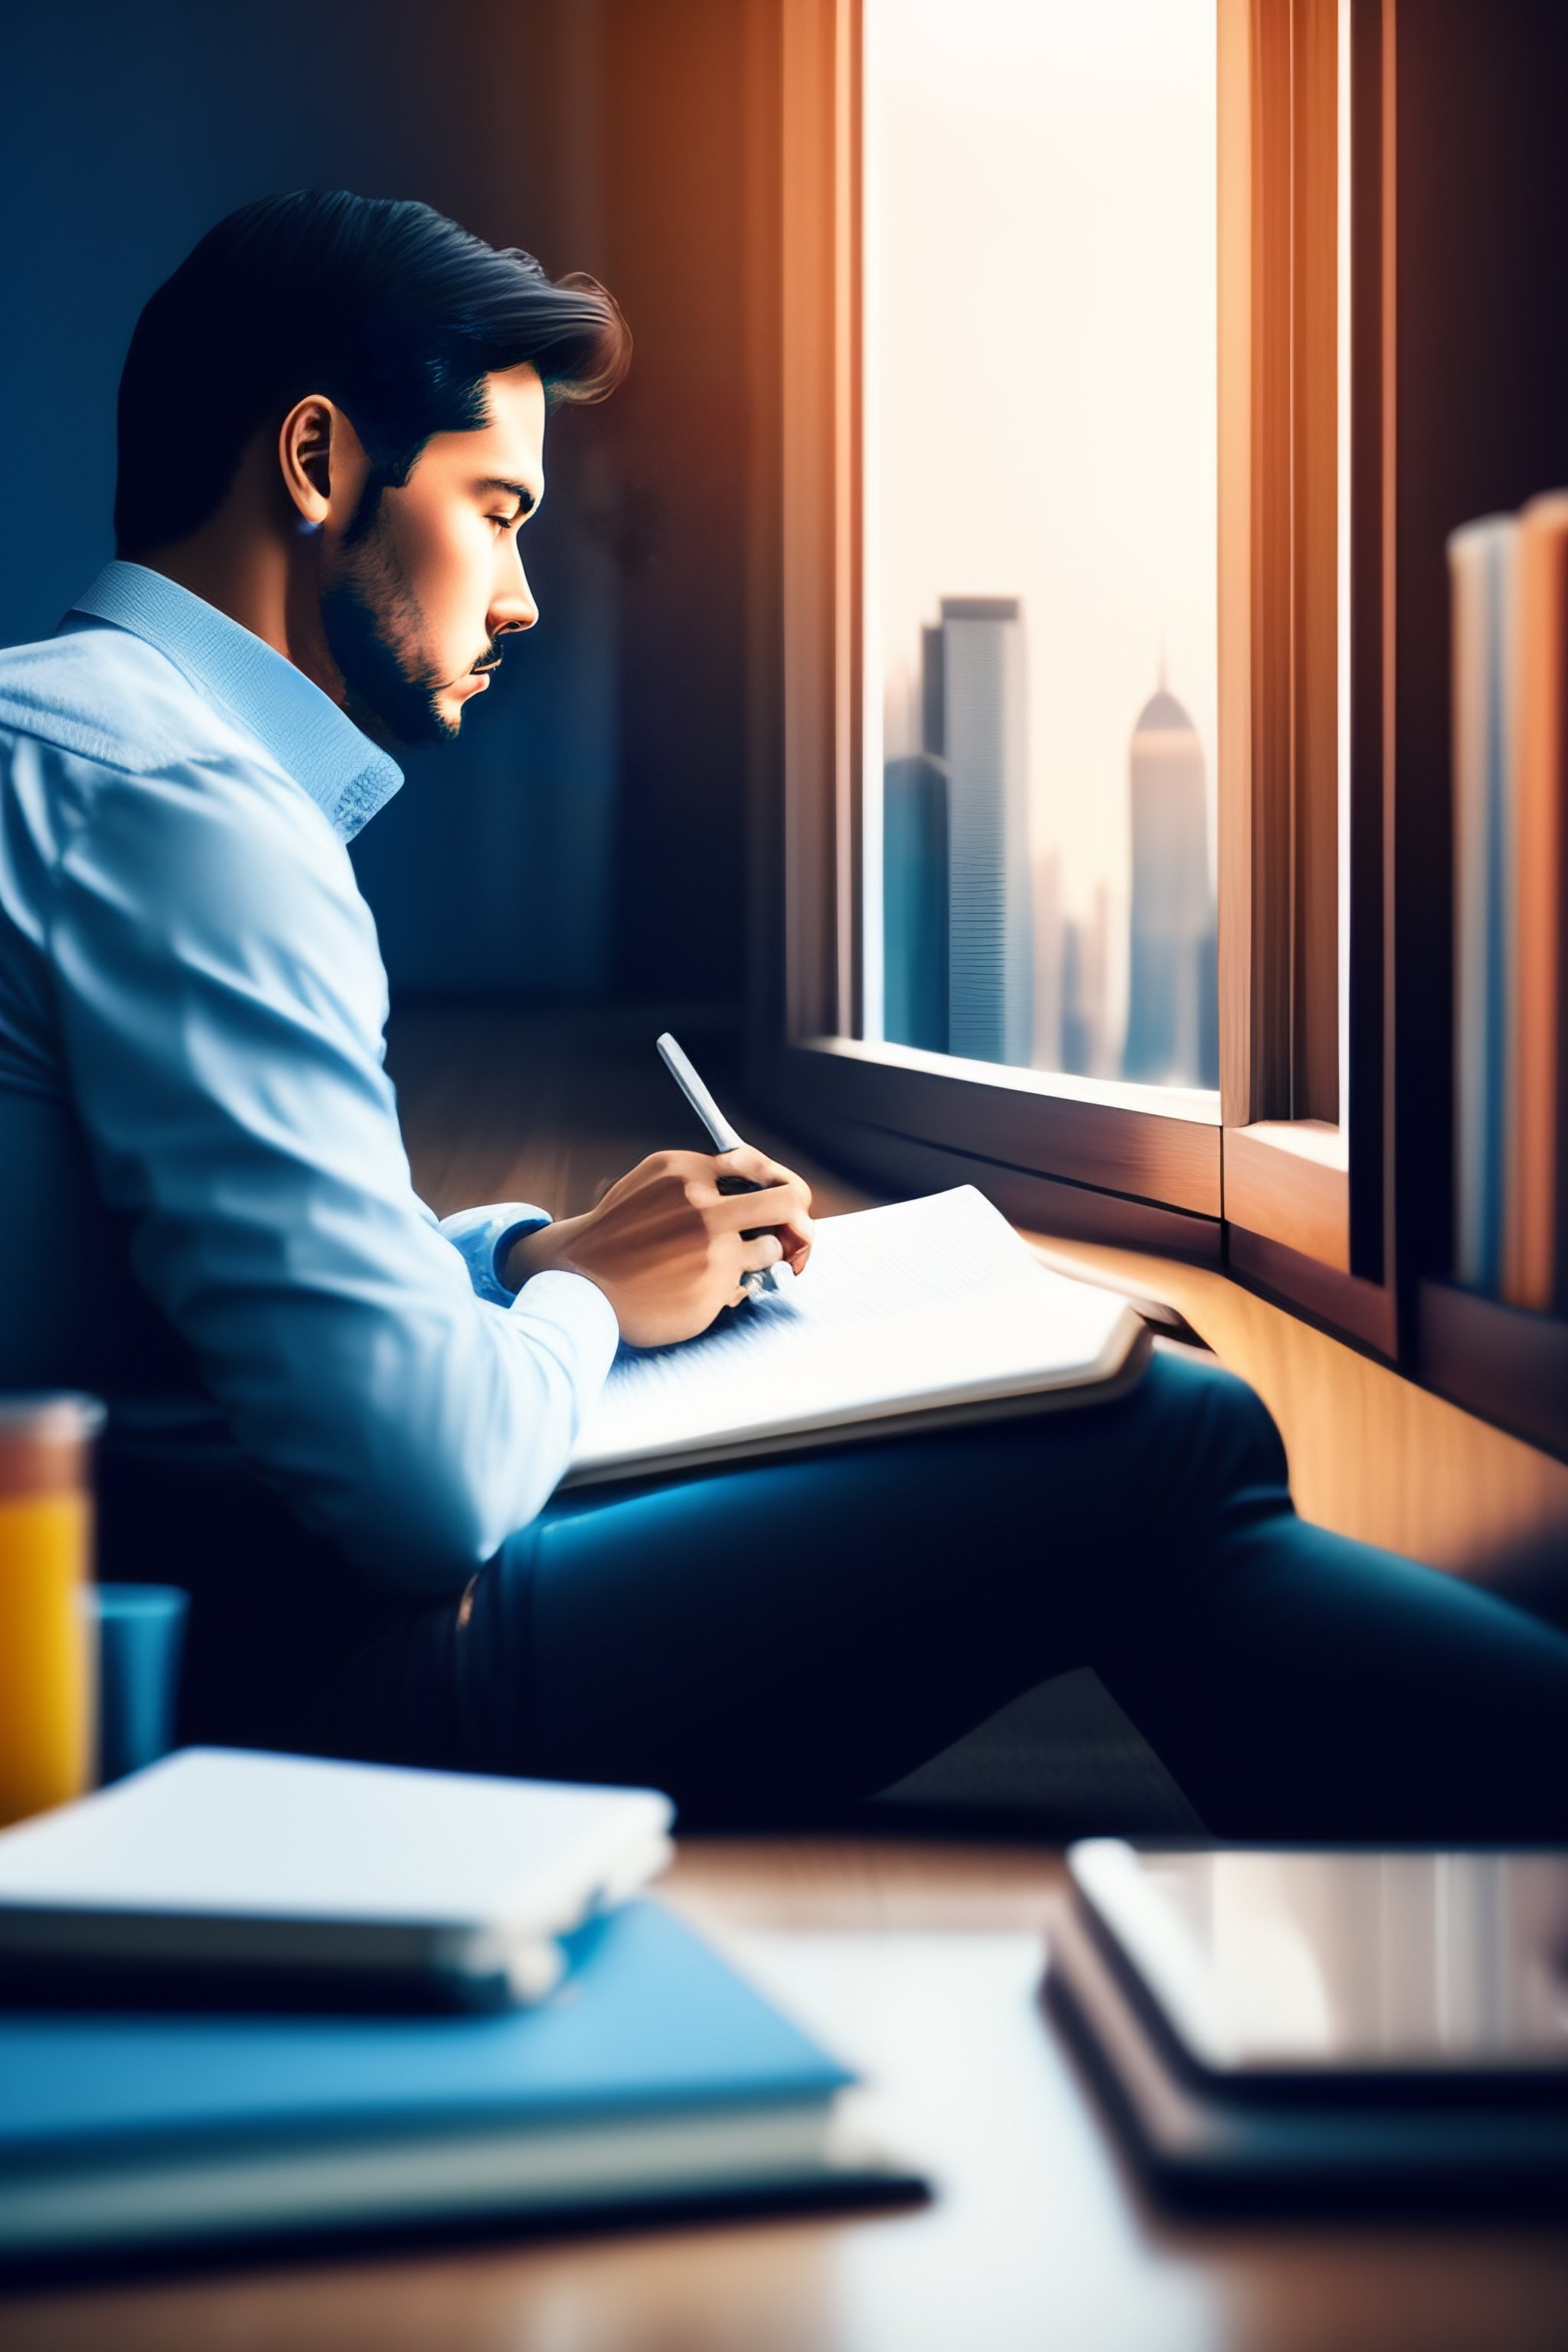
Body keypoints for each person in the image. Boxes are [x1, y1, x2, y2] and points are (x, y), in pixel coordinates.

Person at [2, 191, 1564, 1838]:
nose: (524, 596)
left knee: (1156, 1440)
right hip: (241, 1704)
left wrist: (527, 1265)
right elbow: (423, 1491)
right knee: (1155, 1441)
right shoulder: (185, 804)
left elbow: (195, 1288)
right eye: (498, 509)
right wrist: (592, 1306)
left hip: (152, 1621)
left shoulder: (67, 745)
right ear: (317, 464)